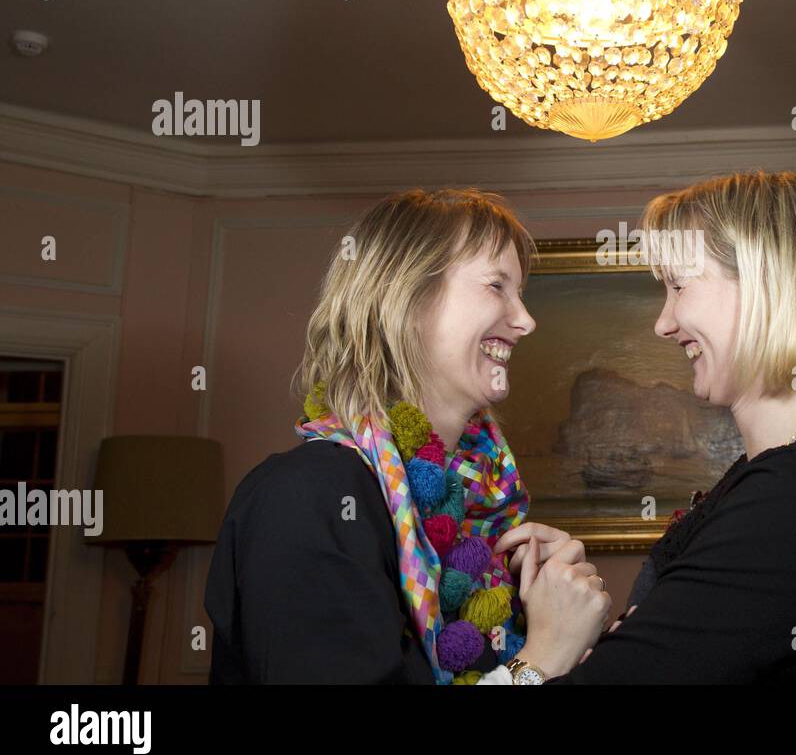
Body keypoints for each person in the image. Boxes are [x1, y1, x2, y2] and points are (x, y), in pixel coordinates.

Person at [494, 170, 796, 683]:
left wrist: (539, 657)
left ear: (769, 284)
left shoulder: (795, 491)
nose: (663, 323)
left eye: (678, 286)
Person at [203, 188, 610, 684]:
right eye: (496, 286)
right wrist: (543, 659)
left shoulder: (469, 519)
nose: (525, 320)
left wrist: (571, 628)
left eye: (519, 292)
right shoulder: (306, 496)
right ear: (407, 301)